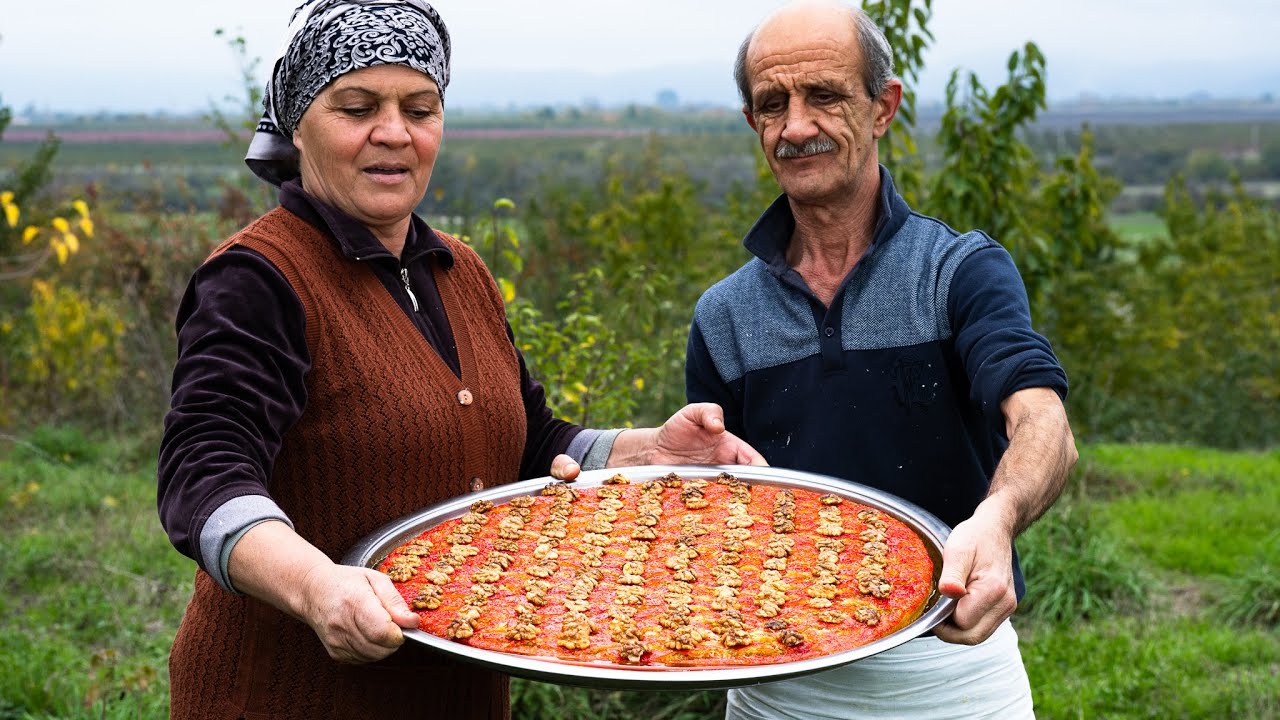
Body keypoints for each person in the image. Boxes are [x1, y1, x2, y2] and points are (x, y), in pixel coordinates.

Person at [156, 2, 764, 718]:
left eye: (420, 108)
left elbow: (533, 444)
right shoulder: (260, 279)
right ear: (298, 121)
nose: (394, 133)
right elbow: (205, 477)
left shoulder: (458, 271)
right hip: (292, 697)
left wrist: (650, 450)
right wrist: (319, 587)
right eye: (356, 106)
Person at [685, 2, 1078, 718]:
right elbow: (721, 510)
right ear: (754, 125)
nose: (797, 127)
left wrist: (998, 518)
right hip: (777, 690)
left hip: (954, 680)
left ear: (883, 107)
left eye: (825, 96)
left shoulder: (959, 272)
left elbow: (1043, 420)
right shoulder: (723, 317)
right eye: (773, 104)